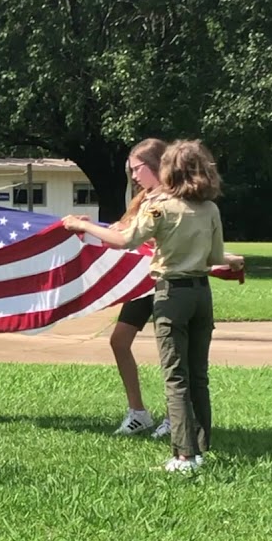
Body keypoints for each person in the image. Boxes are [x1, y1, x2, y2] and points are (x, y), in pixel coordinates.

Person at [63, 139, 232, 473]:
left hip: (172, 294)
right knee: (198, 376)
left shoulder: (160, 207)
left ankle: (183, 456)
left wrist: (81, 225)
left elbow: (127, 240)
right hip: (202, 294)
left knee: (176, 377)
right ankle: (199, 448)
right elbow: (215, 258)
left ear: (170, 169)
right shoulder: (210, 208)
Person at [108, 138, 172, 439]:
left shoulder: (172, 199)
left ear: (157, 165)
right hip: (141, 283)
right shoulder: (143, 199)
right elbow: (128, 232)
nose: (134, 176)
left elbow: (150, 238)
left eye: (137, 169)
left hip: (166, 282)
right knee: (119, 341)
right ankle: (138, 413)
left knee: (171, 351)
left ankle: (177, 415)